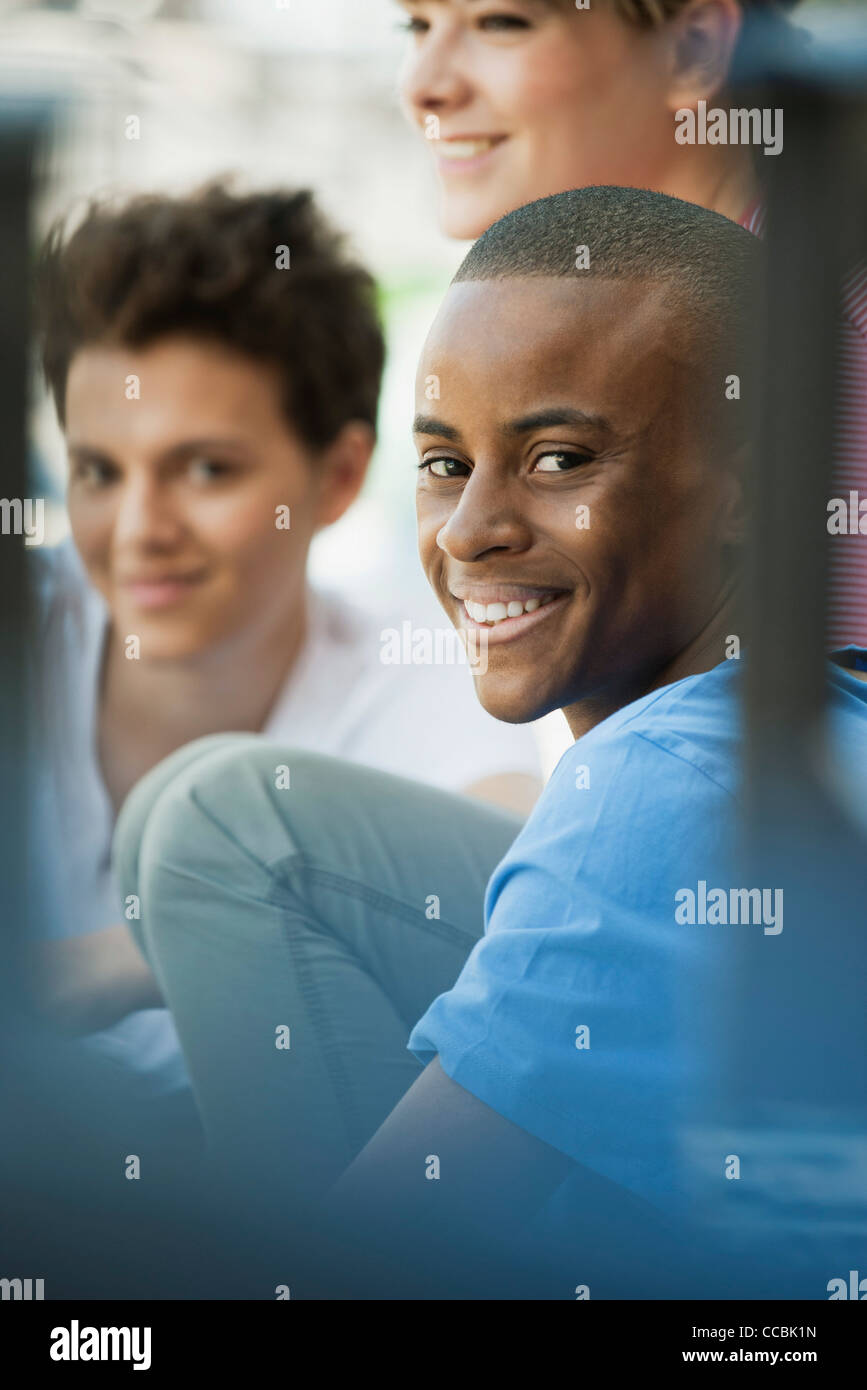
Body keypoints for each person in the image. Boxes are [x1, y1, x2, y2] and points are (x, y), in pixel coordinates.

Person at [111, 187, 867, 1293]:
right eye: (444, 464)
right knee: (222, 811)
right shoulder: (801, 714)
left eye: (559, 459)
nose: (470, 530)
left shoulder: (656, 783)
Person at [28, 182, 541, 1107]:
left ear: (339, 477)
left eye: (205, 470)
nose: (140, 527)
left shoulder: (417, 661)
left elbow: (514, 904)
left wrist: (111, 958)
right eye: (98, 471)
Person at [396, 0, 867, 649]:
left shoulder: (819, 332)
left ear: (693, 46)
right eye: (416, 26)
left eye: (499, 23)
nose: (423, 86)